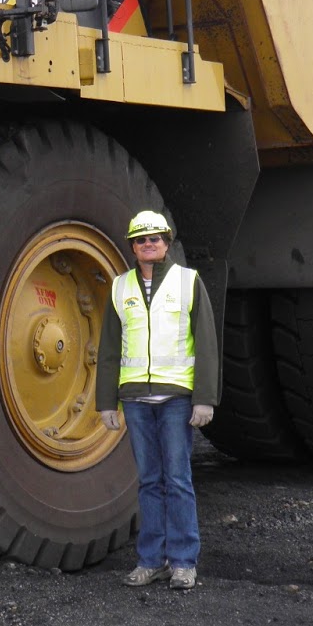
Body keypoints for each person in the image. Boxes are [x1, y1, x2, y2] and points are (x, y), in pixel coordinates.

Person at [96, 210, 219, 591]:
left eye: (155, 238)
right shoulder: (120, 288)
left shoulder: (188, 282)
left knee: (178, 479)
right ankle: (151, 561)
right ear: (132, 247)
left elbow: (207, 343)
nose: (148, 244)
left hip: (176, 400)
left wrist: (204, 399)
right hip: (135, 399)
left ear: (167, 242)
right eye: (140, 239)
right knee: (149, 482)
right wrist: (105, 403)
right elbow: (109, 350)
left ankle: (183, 562)